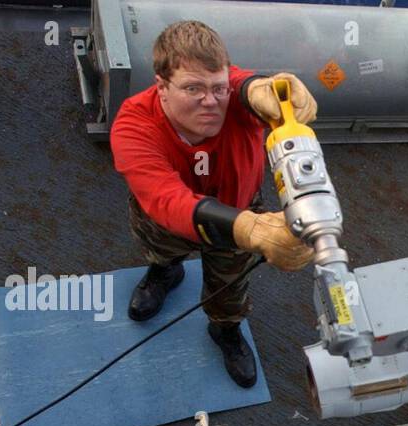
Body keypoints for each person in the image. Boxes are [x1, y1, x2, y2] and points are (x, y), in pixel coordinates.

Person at [111, 20, 316, 388]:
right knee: (160, 250)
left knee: (230, 289)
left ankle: (225, 330)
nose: (210, 101)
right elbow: (164, 199)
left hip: (238, 210)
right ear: (161, 86)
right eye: (193, 88)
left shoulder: (233, 94)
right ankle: (165, 272)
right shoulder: (133, 124)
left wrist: (273, 92)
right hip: (170, 221)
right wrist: (251, 228)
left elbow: (248, 87)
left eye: (217, 88)